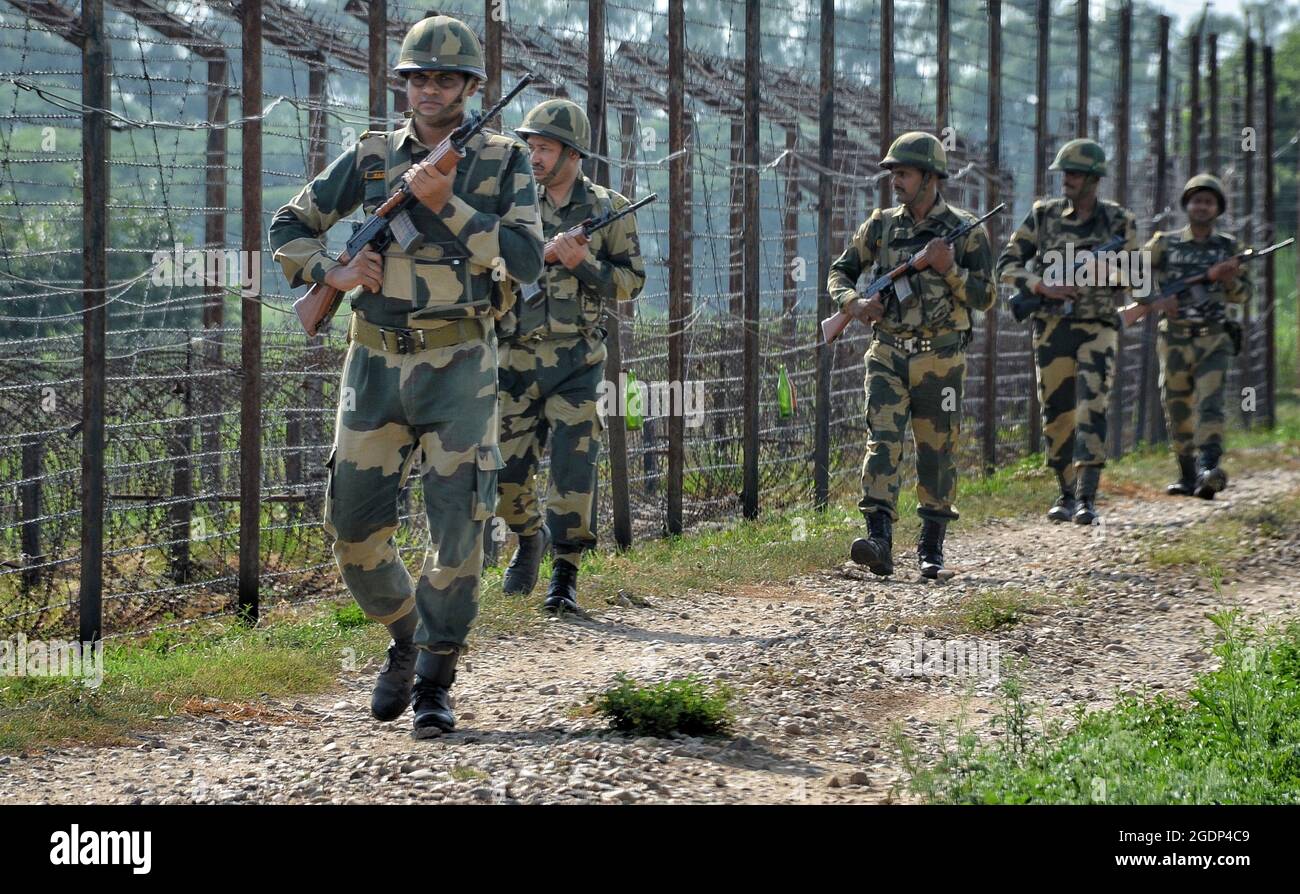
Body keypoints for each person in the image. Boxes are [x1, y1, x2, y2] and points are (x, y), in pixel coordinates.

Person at [268, 14, 543, 737]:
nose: (430, 89)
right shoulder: (368, 157)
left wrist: (441, 201)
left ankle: (434, 680)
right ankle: (405, 635)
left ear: (469, 87)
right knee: (353, 531)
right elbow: (287, 225)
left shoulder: (504, 160)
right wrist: (331, 269)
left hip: (461, 366)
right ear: (405, 84)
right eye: (418, 77)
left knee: (459, 530)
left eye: (445, 78)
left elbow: (526, 260)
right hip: (375, 360)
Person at [496, 99, 646, 613]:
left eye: (544, 148)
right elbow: (486, 266)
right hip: (512, 360)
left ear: (573, 154)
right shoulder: (512, 205)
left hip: (577, 363)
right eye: (530, 147)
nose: (533, 157)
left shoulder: (609, 209)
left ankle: (565, 574)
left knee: (573, 468)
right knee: (503, 474)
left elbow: (631, 284)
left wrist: (584, 263)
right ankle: (528, 538)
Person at [827, 132, 994, 579]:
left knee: (937, 449)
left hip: (942, 360)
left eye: (903, 173)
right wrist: (854, 305)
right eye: (894, 173)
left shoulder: (967, 230)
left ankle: (930, 546)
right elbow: (840, 271)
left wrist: (949, 269)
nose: (895, 181)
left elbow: (987, 296)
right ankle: (878, 538)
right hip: (887, 353)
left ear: (929, 177)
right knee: (882, 441)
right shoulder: (881, 226)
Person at [996, 138, 1137, 525]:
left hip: (1098, 327)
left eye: (1074, 174)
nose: (1066, 180)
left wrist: (1107, 271)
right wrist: (1042, 286)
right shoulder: (1043, 216)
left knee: (1093, 405)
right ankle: (1065, 491)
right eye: (1064, 174)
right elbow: (1006, 264)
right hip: (1052, 326)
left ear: (1094, 179)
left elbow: (1138, 280)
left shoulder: (1118, 222)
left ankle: (1088, 496)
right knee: (1056, 410)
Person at [1143, 174, 1250, 499]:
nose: (1202, 206)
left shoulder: (1228, 248)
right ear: (1187, 205)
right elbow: (1133, 271)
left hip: (1213, 339)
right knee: (1176, 406)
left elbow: (1242, 295)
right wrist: (1157, 299)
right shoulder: (1165, 242)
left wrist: (1226, 279)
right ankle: (1187, 474)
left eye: (1208, 201)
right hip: (1174, 338)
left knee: (1211, 405)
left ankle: (1208, 469)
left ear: (1217, 208)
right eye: (1197, 200)